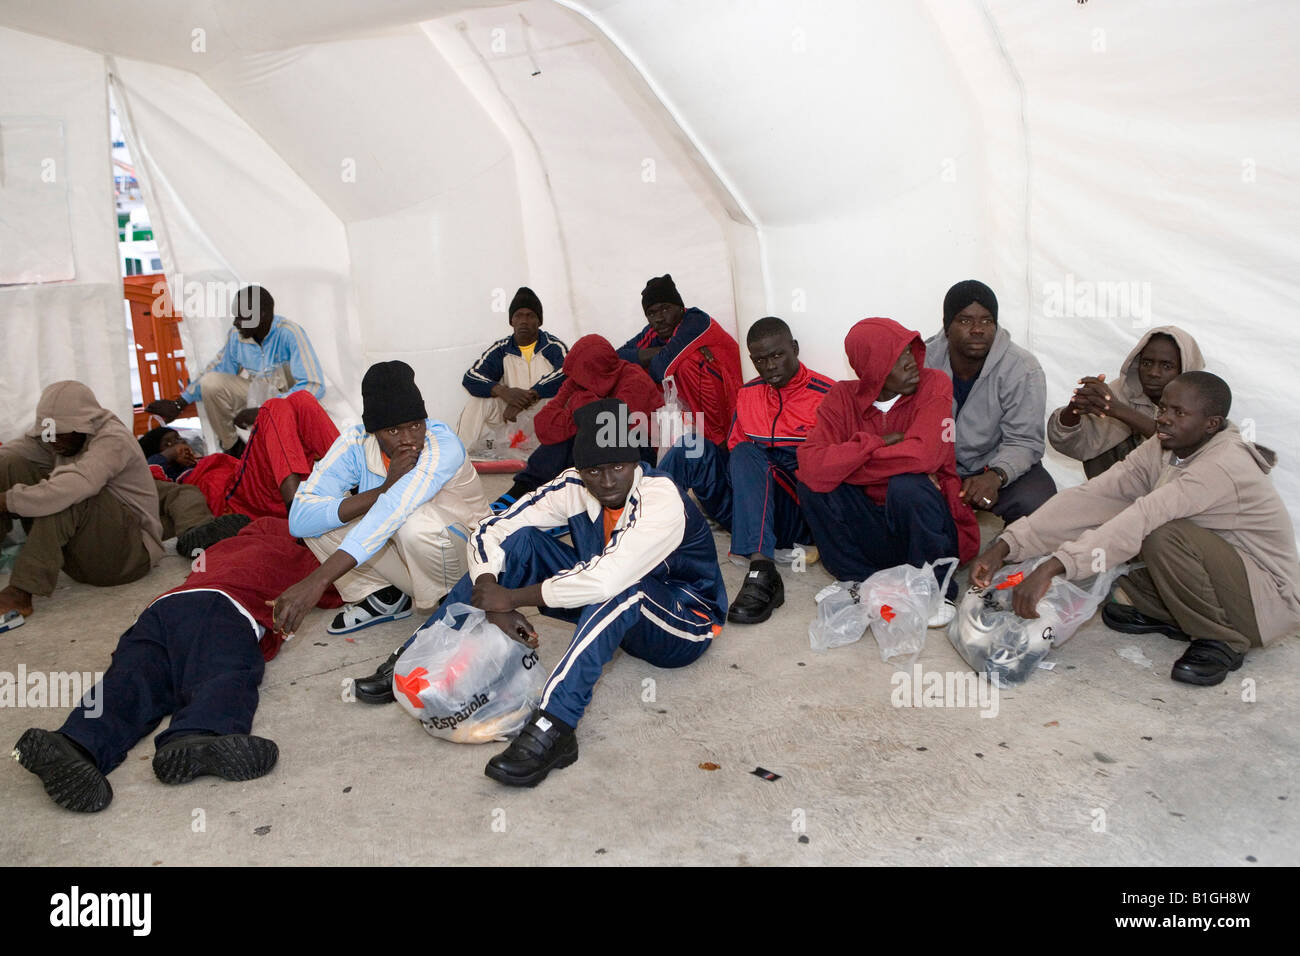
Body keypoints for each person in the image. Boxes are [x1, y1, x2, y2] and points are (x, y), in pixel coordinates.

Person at [425, 397, 725, 787]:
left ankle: (554, 727)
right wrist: (490, 589)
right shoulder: (574, 486)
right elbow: (491, 529)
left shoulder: (661, 496)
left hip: (683, 621)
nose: (606, 481)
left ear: (635, 462)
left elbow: (606, 580)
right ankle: (425, 649)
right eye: (593, 471)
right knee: (522, 543)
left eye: (618, 466)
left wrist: (514, 599)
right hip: (606, 609)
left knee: (621, 588)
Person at [970, 371, 1300, 686]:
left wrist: (1052, 568)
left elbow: (1142, 517)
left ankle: (1221, 638)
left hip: (1268, 600)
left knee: (1160, 536)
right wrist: (1009, 544)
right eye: (1164, 408)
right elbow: (1096, 495)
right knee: (1117, 583)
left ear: (1211, 424)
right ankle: (1180, 615)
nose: (1165, 419)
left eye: (1179, 413)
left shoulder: (1221, 464)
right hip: (1225, 575)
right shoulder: (1166, 444)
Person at [11, 517, 342, 812]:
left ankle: (75, 741)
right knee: (223, 670)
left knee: (133, 681)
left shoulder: (228, 547)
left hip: (160, 609)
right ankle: (198, 731)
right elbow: (335, 590)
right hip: (220, 606)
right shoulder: (305, 556)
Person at [272, 361, 489, 637]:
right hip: (411, 560)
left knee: (414, 521)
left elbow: (394, 507)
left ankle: (457, 606)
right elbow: (300, 516)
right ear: (373, 431)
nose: (409, 440)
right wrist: (384, 486)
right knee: (321, 521)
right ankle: (385, 596)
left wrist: (317, 581)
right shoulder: (355, 443)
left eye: (415, 425)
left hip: (471, 564)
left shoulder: (442, 444)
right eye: (394, 431)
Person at [796, 318, 980, 625]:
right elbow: (810, 464)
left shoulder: (935, 384)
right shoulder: (841, 397)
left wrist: (845, 464)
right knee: (811, 484)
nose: (912, 363)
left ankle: (935, 587)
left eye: (911, 351)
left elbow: (924, 456)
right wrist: (876, 443)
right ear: (872, 368)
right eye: (898, 357)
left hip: (928, 526)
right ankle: (858, 579)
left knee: (908, 486)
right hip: (873, 526)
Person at [660, 316, 834, 624]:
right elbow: (732, 458)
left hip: (792, 515)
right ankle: (636, 525)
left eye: (778, 355)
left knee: (746, 452)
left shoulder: (826, 395)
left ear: (794, 348)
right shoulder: (748, 393)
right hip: (748, 508)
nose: (769, 367)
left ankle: (762, 570)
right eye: (760, 360)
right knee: (692, 446)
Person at [0, 381, 164, 629]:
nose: (53, 442)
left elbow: (76, 485)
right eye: (49, 434)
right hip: (81, 559)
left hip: (129, 557)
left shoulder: (112, 438)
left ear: (83, 426)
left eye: (60, 434)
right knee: (11, 463)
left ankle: (21, 591)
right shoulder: (61, 437)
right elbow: (15, 453)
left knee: (69, 493)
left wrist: (7, 500)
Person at [140, 391, 341, 555]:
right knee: (273, 407)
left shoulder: (204, 459)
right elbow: (147, 476)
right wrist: (168, 456)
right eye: (168, 444)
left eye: (179, 440)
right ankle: (299, 512)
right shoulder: (172, 474)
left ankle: (358, 483)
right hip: (236, 501)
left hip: (263, 487)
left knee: (301, 399)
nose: (178, 445)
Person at [924, 280, 1057, 524]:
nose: (977, 329)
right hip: (935, 468)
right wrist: (925, 468)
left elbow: (1024, 440)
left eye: (987, 321)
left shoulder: (1022, 368)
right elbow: (904, 426)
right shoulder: (923, 363)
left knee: (1039, 501)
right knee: (899, 490)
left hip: (993, 464)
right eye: (965, 320)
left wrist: (996, 476)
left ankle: (1007, 552)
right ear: (946, 327)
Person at [146, 285, 326, 456]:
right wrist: (180, 403)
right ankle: (234, 449)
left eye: (241, 317)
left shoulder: (289, 333)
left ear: (261, 316)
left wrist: (265, 410)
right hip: (259, 396)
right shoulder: (237, 336)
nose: (235, 323)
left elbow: (314, 386)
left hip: (289, 404)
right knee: (211, 382)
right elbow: (218, 370)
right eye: (235, 316)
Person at [491, 334, 663, 510]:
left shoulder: (633, 379)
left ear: (595, 369)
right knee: (562, 441)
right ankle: (522, 490)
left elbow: (612, 428)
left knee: (582, 437)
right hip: (599, 445)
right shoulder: (578, 380)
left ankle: (570, 503)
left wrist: (579, 406)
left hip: (640, 451)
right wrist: (582, 415)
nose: (575, 380)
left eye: (582, 374)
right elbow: (543, 425)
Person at [1048, 326, 1205, 477]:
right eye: (1147, 363)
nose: (1154, 373)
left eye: (1166, 366)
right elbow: (1074, 442)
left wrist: (1119, 411)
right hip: (1115, 495)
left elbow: (1187, 449)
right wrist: (1074, 409)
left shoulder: (1202, 405)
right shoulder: (1118, 393)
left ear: (1185, 369)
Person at [616, 274, 742, 449]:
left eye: (665, 309)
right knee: (631, 374)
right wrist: (663, 351)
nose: (659, 318)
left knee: (687, 364)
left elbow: (660, 369)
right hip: (698, 416)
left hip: (735, 398)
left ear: (680, 307)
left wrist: (660, 356)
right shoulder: (656, 331)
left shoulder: (696, 321)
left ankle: (720, 443)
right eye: (651, 313)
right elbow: (617, 358)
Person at [456, 287, 568, 454]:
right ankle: (459, 456)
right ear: (511, 321)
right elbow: (471, 377)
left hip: (543, 415)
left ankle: (558, 455)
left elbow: (567, 372)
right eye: (518, 316)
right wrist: (504, 392)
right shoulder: (502, 349)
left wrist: (529, 397)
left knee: (563, 398)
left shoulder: (553, 347)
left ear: (539, 321)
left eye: (530, 316)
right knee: (480, 401)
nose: (524, 320)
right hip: (511, 416)